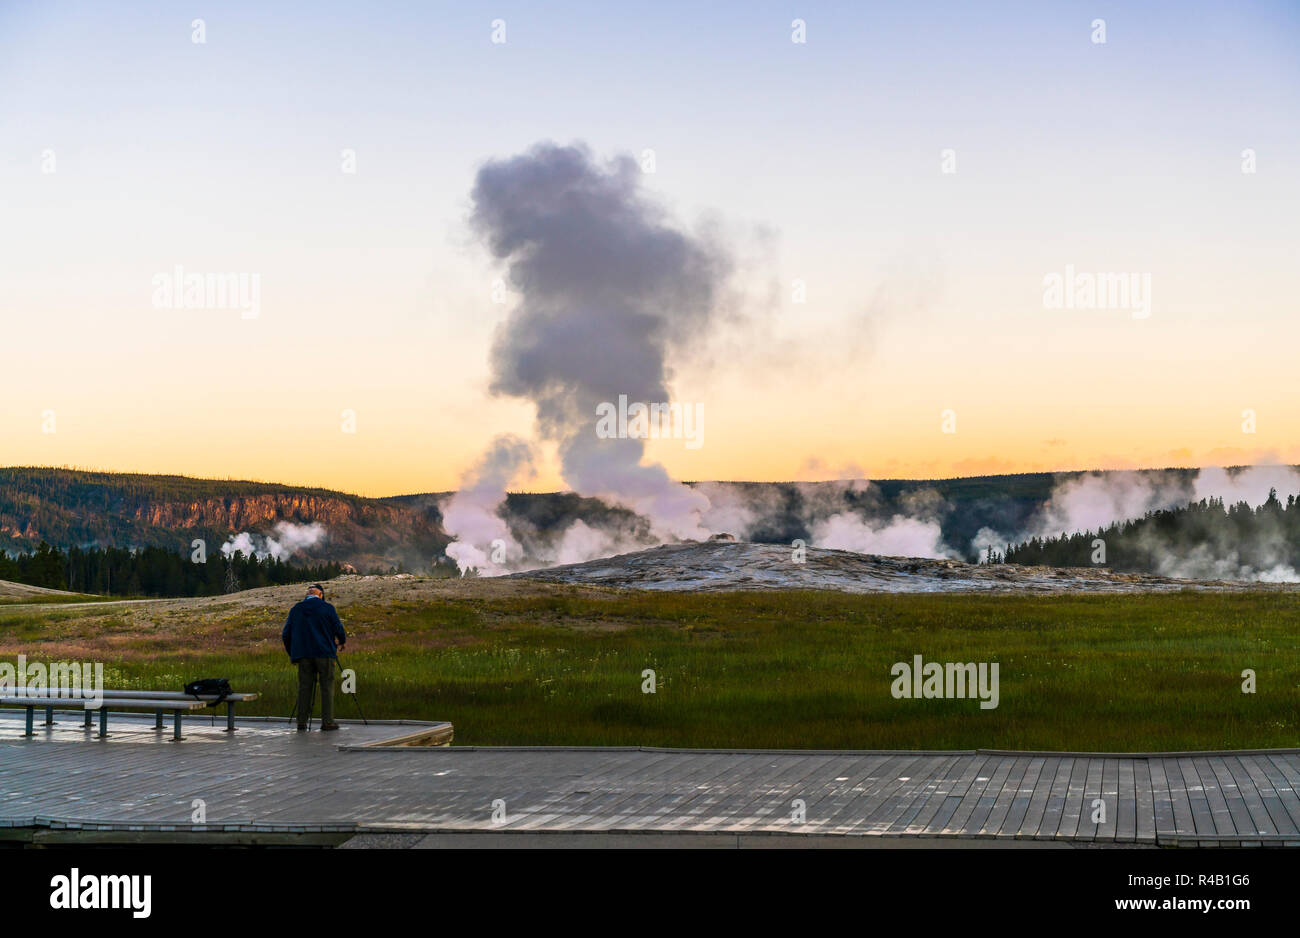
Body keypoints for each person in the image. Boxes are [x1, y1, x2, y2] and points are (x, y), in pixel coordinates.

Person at [281, 583, 346, 731]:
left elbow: (286, 634)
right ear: (321, 595)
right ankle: (327, 722)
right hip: (325, 653)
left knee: (304, 688)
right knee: (327, 687)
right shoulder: (327, 608)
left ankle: (301, 722)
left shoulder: (296, 609)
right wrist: (341, 641)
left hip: (303, 655)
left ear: (307, 594)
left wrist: (293, 654)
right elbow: (338, 628)